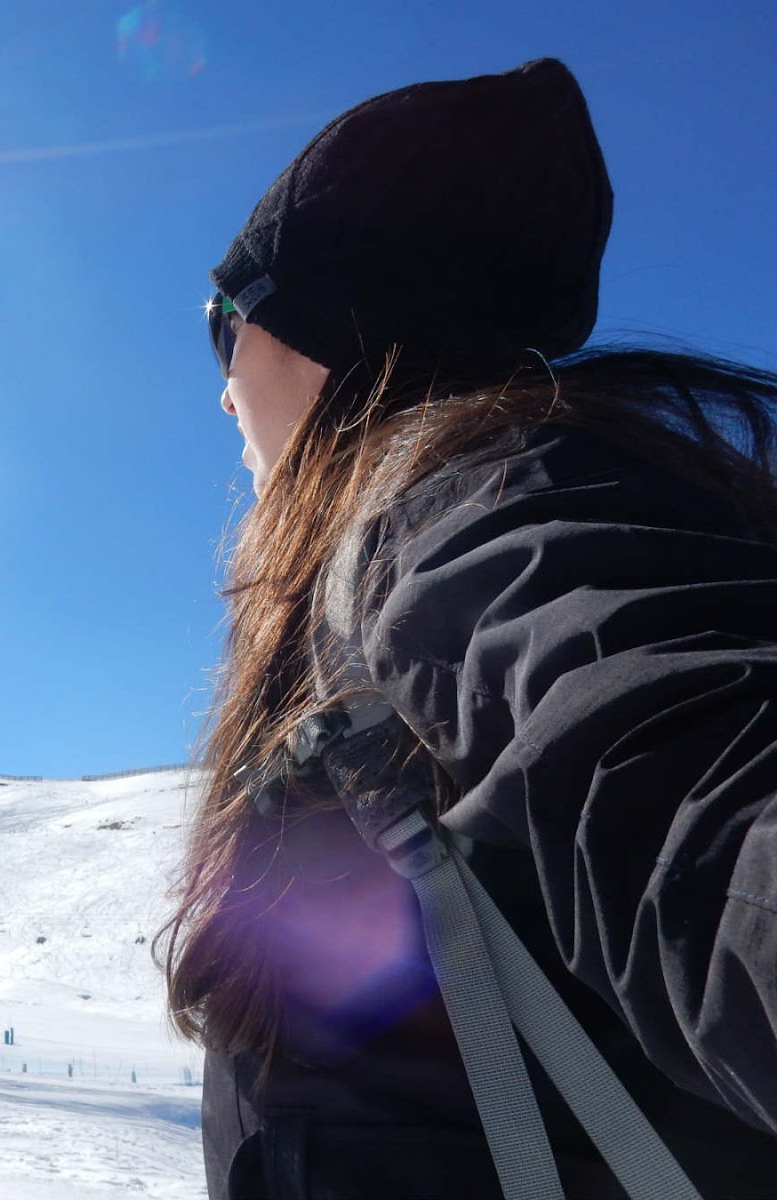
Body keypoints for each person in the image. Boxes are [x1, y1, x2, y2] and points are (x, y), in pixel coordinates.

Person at [159, 59, 777, 1199]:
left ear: (322, 325)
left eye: (221, 322)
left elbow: (701, 805)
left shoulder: (477, 507)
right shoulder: (451, 523)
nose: (218, 388)